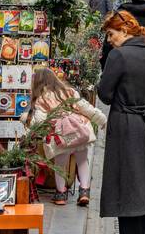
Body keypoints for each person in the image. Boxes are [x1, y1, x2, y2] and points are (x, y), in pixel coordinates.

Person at [98, 11, 145, 234]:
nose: (109, 39)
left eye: (111, 34)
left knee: (127, 181)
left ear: (125, 30)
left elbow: (105, 94)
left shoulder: (118, 56)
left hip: (126, 123)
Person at [29, 67, 105, 206]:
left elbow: (39, 122)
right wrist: (102, 120)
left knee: (60, 165)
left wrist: (27, 122)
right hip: (78, 131)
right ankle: (84, 192)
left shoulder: (42, 99)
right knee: (82, 161)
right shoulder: (69, 92)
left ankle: (61, 194)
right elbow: (86, 108)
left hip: (60, 136)